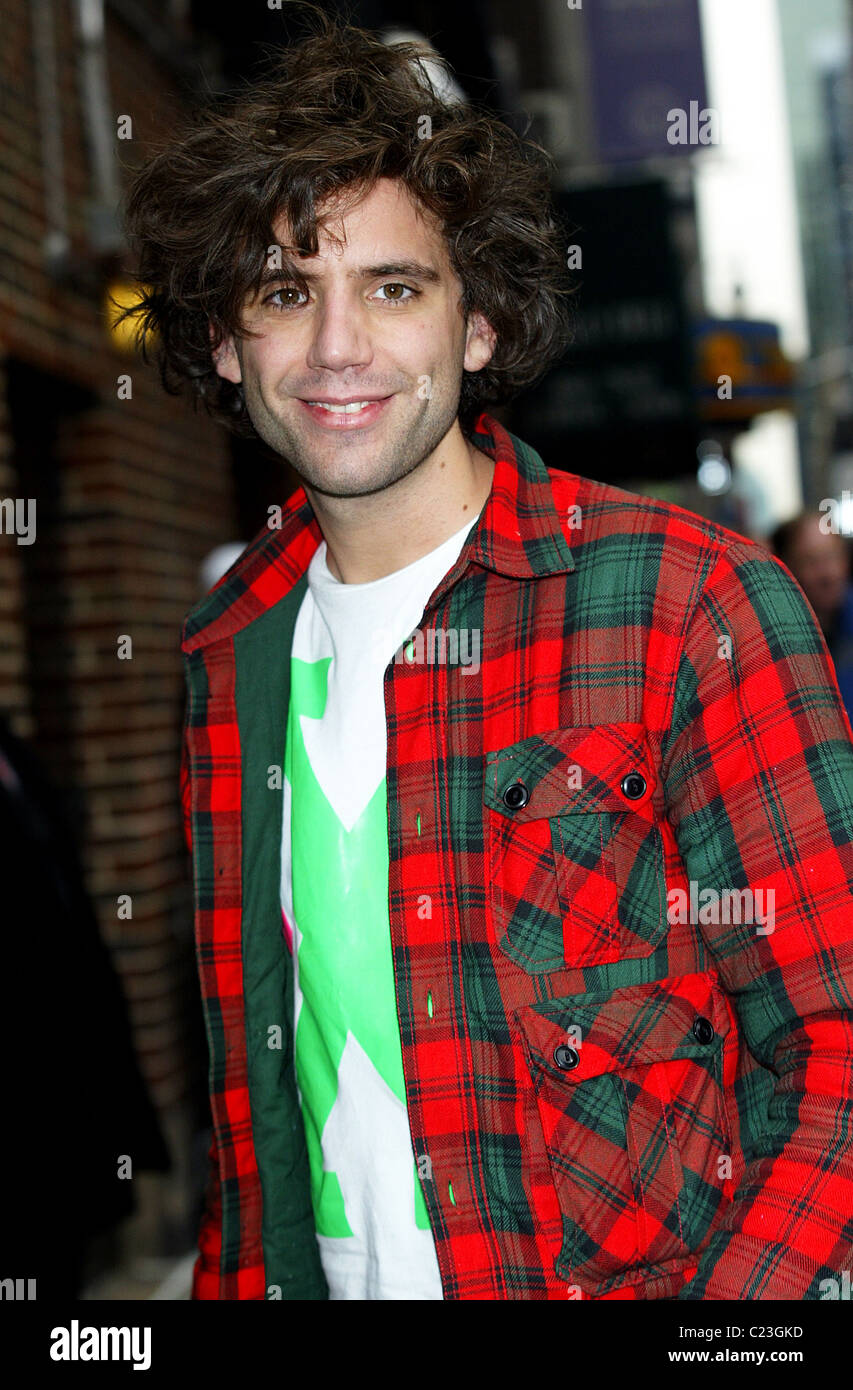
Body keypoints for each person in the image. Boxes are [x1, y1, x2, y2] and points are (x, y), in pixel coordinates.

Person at [122, 10, 853, 1301]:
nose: (338, 347)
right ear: (229, 344)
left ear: (476, 325)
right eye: (286, 292)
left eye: (392, 287)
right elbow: (263, 1135)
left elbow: (835, 1061)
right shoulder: (228, 660)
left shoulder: (685, 602)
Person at [771, 510, 853, 721]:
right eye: (812, 561)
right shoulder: (775, 644)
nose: (829, 573)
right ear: (786, 567)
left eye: (833, 556)